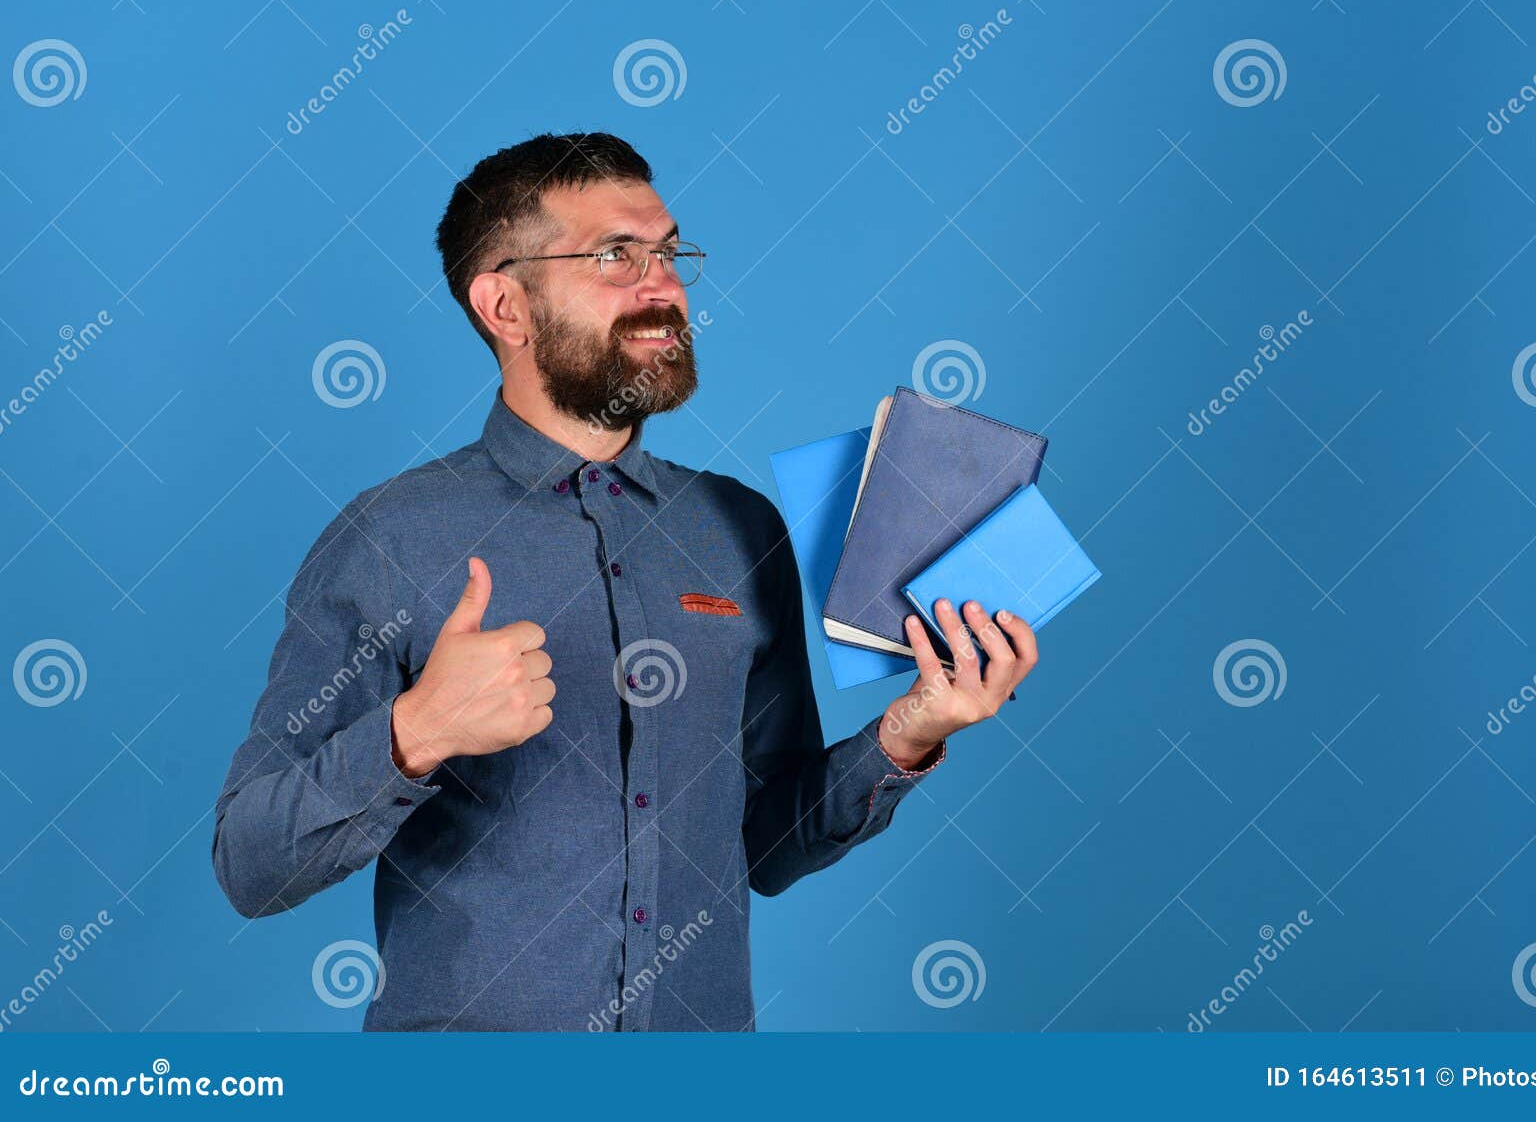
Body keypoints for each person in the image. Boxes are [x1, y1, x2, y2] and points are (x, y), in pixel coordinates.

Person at [212, 131, 1039, 1031]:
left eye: (670, 253)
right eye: (615, 256)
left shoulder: (737, 528)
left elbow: (764, 846)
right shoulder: (393, 536)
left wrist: (908, 735)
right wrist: (418, 731)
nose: (665, 286)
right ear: (505, 305)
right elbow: (252, 866)